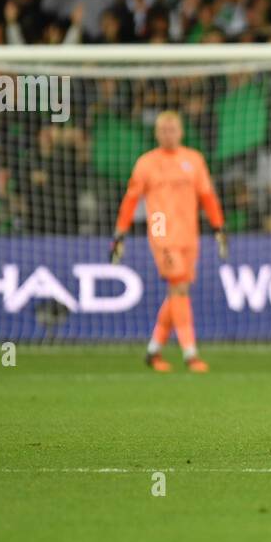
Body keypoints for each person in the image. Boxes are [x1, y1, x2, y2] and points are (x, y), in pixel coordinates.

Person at [111, 111, 227, 372]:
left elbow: (207, 196)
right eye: (163, 130)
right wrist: (120, 232)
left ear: (181, 131)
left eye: (172, 129)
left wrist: (218, 226)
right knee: (180, 287)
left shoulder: (193, 160)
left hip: (189, 234)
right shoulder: (146, 163)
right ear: (156, 133)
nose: (168, 134)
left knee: (177, 291)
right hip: (162, 232)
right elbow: (131, 200)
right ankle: (190, 353)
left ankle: (154, 351)